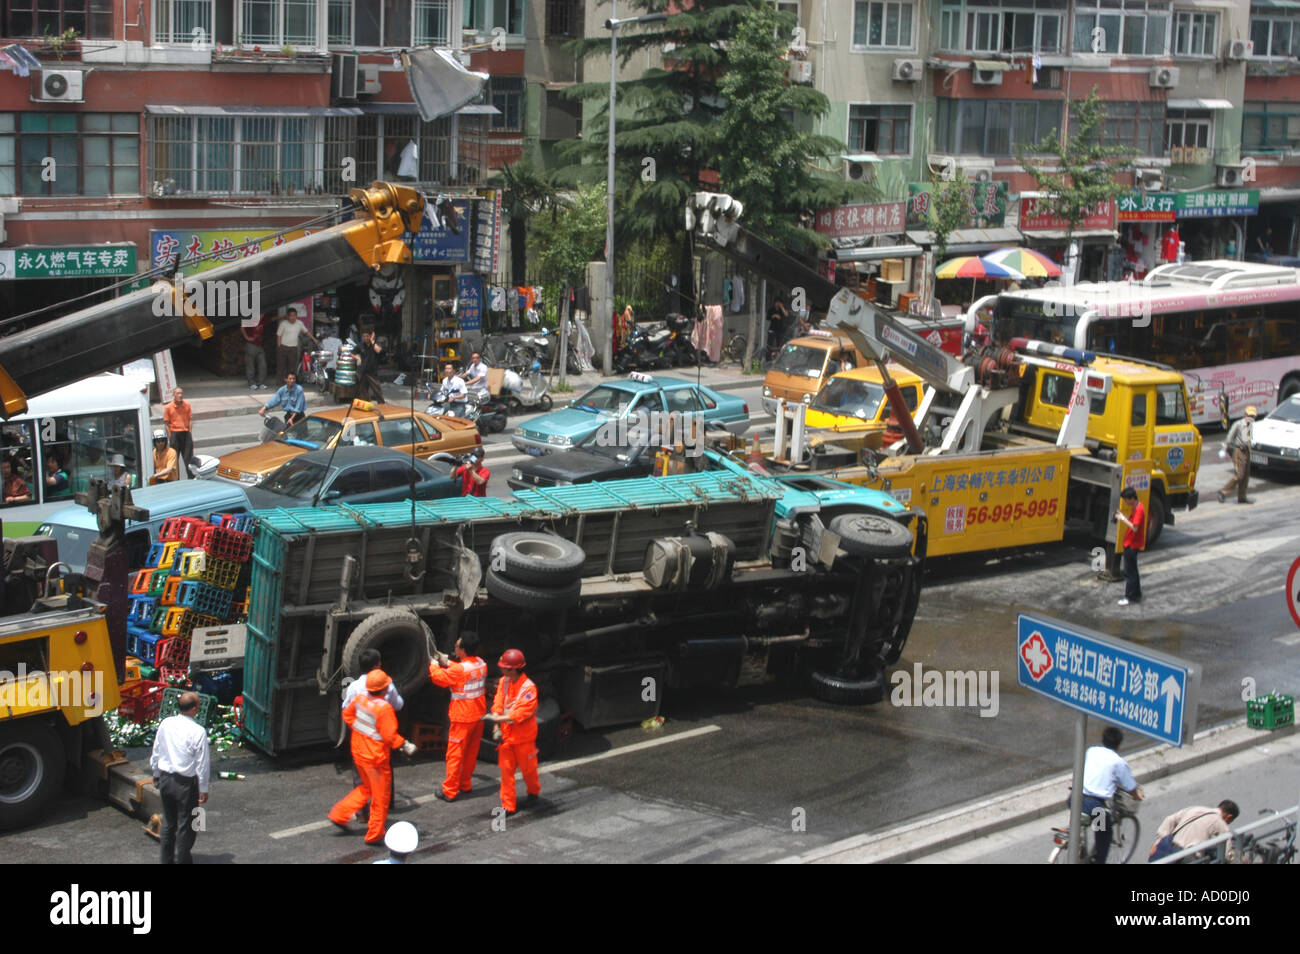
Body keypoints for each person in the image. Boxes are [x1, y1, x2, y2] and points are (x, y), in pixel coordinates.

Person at [329, 669, 417, 845]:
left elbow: (347, 715)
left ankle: (339, 815)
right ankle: (375, 834)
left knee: (364, 789)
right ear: (385, 689)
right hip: (375, 759)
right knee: (380, 797)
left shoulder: (360, 700)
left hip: (359, 753)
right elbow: (390, 735)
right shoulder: (384, 709)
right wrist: (405, 745)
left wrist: (362, 731)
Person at [341, 648, 403, 819]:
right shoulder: (386, 694)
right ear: (379, 665)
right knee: (382, 782)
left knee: (361, 780)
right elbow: (398, 706)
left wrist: (358, 725)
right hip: (379, 747)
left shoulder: (354, 688)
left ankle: (360, 813)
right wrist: (403, 744)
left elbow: (346, 709)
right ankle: (383, 811)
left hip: (359, 743)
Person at [150, 691, 211, 864]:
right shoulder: (198, 731)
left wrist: (155, 773)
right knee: (186, 826)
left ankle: (166, 860)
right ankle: (184, 860)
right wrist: (203, 788)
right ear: (194, 709)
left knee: (169, 823)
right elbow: (202, 763)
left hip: (165, 779)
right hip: (185, 784)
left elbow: (157, 749)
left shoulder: (166, 724)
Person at [427, 631, 488, 803]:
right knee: (470, 752)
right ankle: (465, 783)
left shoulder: (460, 671)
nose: (455, 646)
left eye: (457, 645)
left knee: (454, 754)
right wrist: (446, 660)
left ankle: (450, 790)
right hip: (479, 715)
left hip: (462, 717)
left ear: (463, 650)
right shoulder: (482, 664)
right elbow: (461, 668)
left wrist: (433, 665)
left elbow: (440, 678)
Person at [484, 648, 541, 816]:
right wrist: (496, 724)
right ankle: (508, 805)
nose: (500, 669)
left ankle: (533, 791)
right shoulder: (504, 681)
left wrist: (497, 720)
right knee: (506, 771)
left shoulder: (529, 689)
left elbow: (520, 714)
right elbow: (499, 703)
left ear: (513, 669)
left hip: (524, 739)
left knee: (528, 770)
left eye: (504, 667)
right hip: (507, 738)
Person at [1080, 726, 1143, 864]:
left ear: (1102, 739)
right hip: (1095, 808)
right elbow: (1131, 786)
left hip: (1075, 798)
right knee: (1104, 834)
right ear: (1118, 745)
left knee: (1085, 823)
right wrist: (1137, 796)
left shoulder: (1092, 751)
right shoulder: (1118, 762)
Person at [1149, 800, 1240, 864]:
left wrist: (1158, 841)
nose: (1228, 824)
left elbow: (1169, 819)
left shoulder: (1195, 809)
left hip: (1170, 849)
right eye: (1230, 822)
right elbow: (1228, 855)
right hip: (1188, 857)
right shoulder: (1221, 824)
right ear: (1229, 817)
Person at [1218, 406, 1257, 505]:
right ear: (1245, 415)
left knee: (1246, 475)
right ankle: (1223, 491)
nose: (1251, 417)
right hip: (1239, 451)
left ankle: (1242, 496)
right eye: (1249, 415)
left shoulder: (1251, 425)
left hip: (1247, 451)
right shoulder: (1239, 424)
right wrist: (1228, 450)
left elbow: (1248, 440)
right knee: (1239, 475)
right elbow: (1229, 439)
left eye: (1253, 416)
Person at [1114, 487, 1145, 606]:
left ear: (1132, 498)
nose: (1125, 502)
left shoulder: (1139, 510)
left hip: (1132, 544)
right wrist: (1124, 516)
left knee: (1129, 572)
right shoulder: (1136, 507)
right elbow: (1133, 522)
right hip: (1131, 543)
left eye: (1126, 500)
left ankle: (1129, 596)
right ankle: (1137, 594)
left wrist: (1122, 519)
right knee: (1134, 571)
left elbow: (1135, 527)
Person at [275, 306, 318, 385]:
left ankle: (291, 383)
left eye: (294, 315)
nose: (293, 317)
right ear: (288, 316)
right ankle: (280, 384)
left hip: (293, 348)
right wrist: (279, 347)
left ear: (296, 315)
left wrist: (314, 339)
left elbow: (306, 332)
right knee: (281, 367)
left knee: (292, 367)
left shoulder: (299, 323)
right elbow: (279, 336)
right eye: (291, 315)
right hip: (283, 347)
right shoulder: (283, 324)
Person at [164, 387, 194, 468]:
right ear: (173, 395)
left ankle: (191, 478)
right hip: (174, 434)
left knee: (189, 458)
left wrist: (190, 433)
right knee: (174, 459)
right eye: (178, 393)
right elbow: (166, 424)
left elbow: (190, 420)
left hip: (185, 433)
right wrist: (170, 437)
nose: (180, 395)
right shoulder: (168, 407)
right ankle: (175, 478)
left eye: (181, 393)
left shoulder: (187, 405)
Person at [355, 327, 385, 403]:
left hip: (372, 371)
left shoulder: (375, 344)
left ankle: (382, 405)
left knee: (377, 390)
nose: (365, 338)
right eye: (364, 336)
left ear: (370, 336)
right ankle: (367, 405)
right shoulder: (360, 345)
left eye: (367, 336)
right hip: (362, 370)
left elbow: (378, 351)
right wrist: (358, 358)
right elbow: (352, 353)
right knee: (363, 391)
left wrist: (372, 340)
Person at [242, 313, 270, 390]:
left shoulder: (263, 321)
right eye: (259, 314)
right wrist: (247, 337)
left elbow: (272, 319)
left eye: (262, 315)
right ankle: (251, 383)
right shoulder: (250, 321)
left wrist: (283, 316)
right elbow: (242, 326)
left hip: (260, 346)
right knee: (250, 365)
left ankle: (261, 383)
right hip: (251, 345)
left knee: (263, 365)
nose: (261, 316)